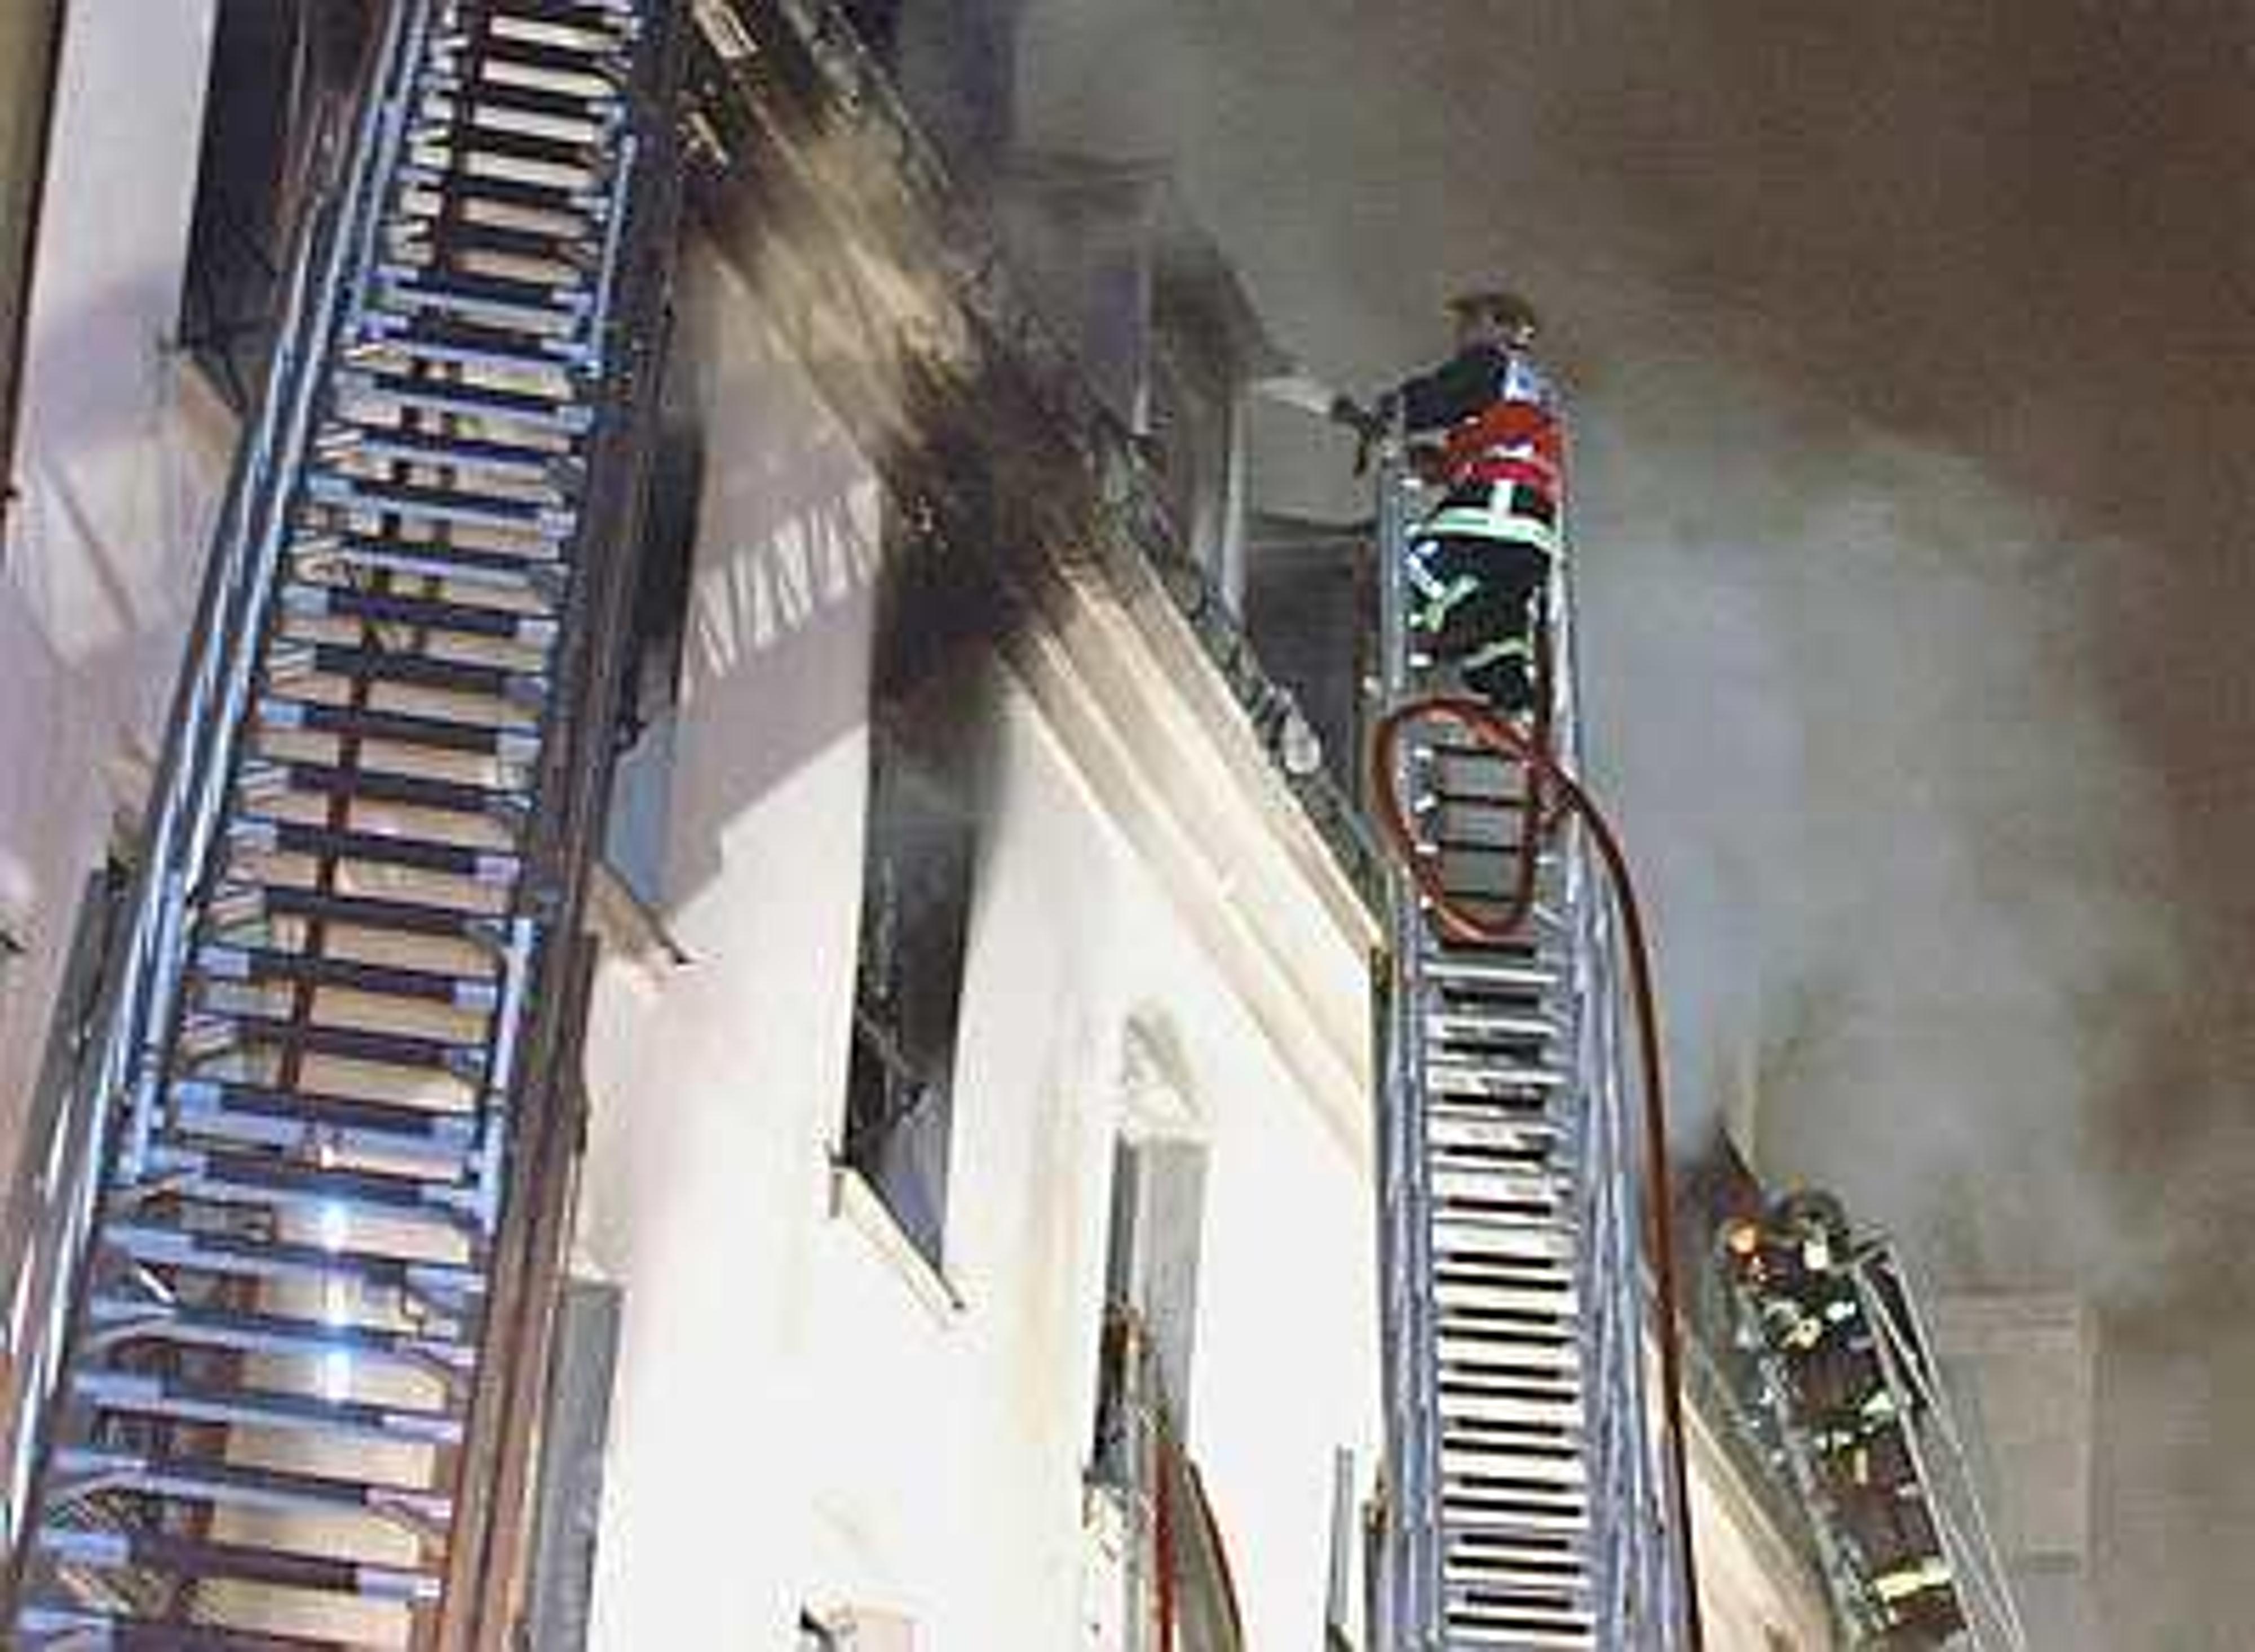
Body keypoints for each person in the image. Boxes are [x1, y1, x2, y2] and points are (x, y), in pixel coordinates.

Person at [1337, 289, 1564, 713]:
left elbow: (1441, 396)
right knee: (1497, 623)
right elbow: (1499, 440)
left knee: (1397, 580)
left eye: (1471, 321)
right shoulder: (1530, 387)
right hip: (1529, 529)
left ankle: (1383, 671)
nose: (1461, 333)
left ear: (1502, 328)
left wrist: (1391, 410)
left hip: (1492, 515)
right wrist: (1440, 465)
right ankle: (1511, 700)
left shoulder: (1491, 364)